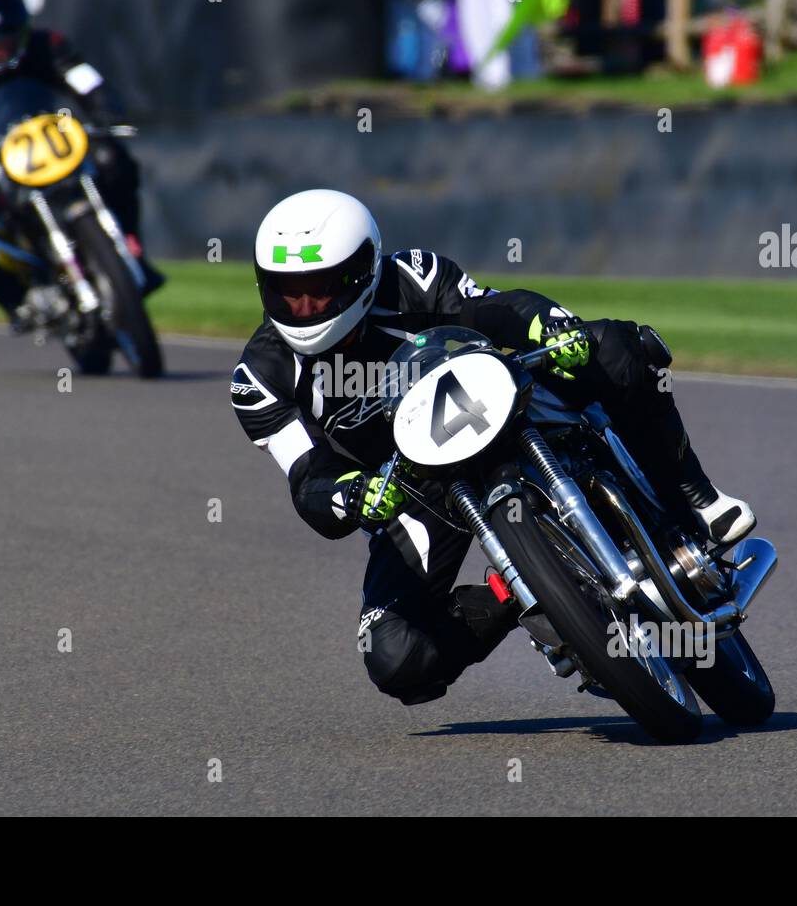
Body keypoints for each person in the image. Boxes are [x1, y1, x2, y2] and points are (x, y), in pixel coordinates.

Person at [230, 188, 755, 706]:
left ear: (362, 272)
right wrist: (348, 494)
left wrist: (546, 321)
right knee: (394, 656)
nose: (302, 307)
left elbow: (493, 308)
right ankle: (527, 593)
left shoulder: (413, 275)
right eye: (284, 291)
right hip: (413, 485)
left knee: (620, 348)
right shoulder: (260, 377)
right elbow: (306, 474)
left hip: (501, 405)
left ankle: (699, 500)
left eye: (319, 290)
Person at [0, 0, 163, 329]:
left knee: (113, 159)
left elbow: (90, 86)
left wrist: (109, 117)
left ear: (19, 37)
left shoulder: (48, 48)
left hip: (54, 148)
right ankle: (17, 300)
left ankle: (131, 245)